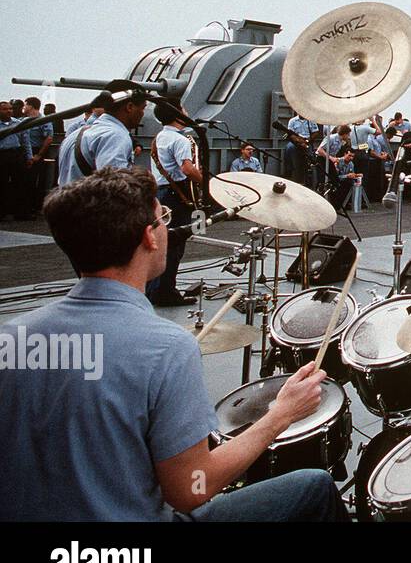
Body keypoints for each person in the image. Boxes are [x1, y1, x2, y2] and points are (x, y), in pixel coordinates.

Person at [0, 168, 346, 521]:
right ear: (149, 237)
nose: (168, 227)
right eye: (163, 218)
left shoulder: (12, 337)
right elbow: (190, 491)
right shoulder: (165, 349)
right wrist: (281, 415)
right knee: (314, 486)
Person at [145, 102, 203, 307]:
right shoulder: (180, 140)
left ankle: (153, 289)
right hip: (176, 196)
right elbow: (187, 169)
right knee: (174, 245)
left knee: (161, 242)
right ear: (178, 115)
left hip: (161, 193)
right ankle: (165, 292)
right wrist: (206, 182)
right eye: (184, 110)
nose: (187, 113)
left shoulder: (159, 137)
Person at [57, 83, 147, 185]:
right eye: (142, 108)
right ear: (129, 107)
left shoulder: (75, 134)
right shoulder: (115, 136)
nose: (142, 113)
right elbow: (116, 188)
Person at [20, 97, 54, 219]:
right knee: (23, 181)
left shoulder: (43, 121)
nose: (23, 107)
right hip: (23, 152)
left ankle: (33, 207)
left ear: (31, 106)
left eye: (26, 105)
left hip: (36, 152)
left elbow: (48, 138)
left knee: (34, 181)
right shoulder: (22, 121)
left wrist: (39, 155)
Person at [0, 100, 32, 221]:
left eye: (10, 109)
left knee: (21, 183)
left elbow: (26, 141)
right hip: (1, 155)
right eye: (5, 109)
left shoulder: (18, 124)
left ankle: (22, 212)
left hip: (16, 154)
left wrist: (29, 157)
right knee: (1, 184)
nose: (9, 111)